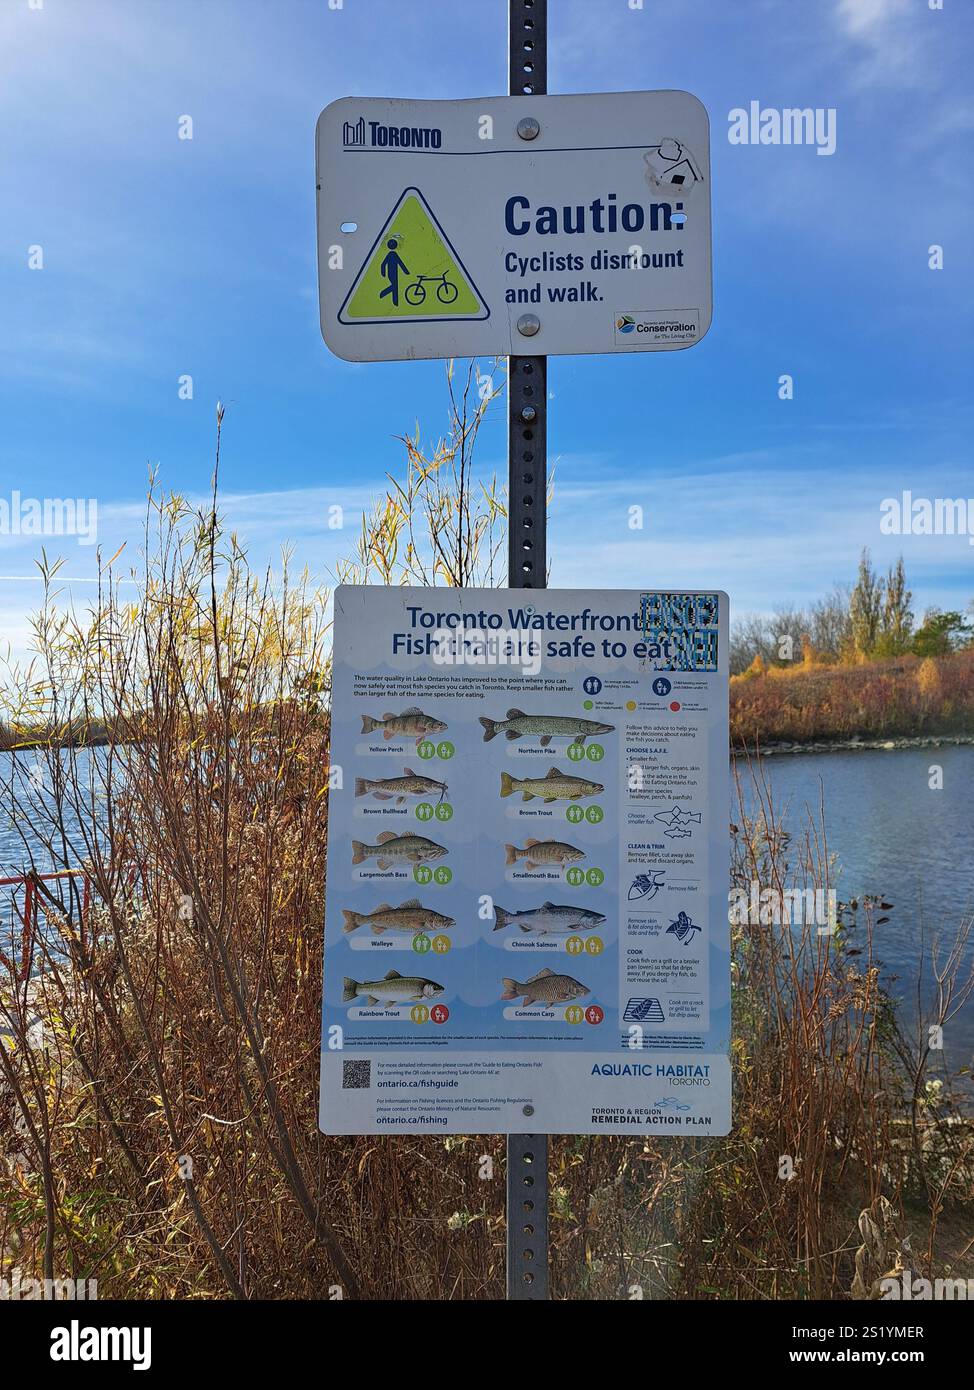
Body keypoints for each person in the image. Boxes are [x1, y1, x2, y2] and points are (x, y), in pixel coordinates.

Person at [379, 238, 409, 306]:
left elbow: (400, 263)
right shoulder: (391, 255)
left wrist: (406, 271)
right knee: (394, 287)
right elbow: (383, 264)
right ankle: (383, 293)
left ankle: (395, 302)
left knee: (395, 287)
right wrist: (383, 273)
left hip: (394, 273)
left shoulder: (392, 254)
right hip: (392, 273)